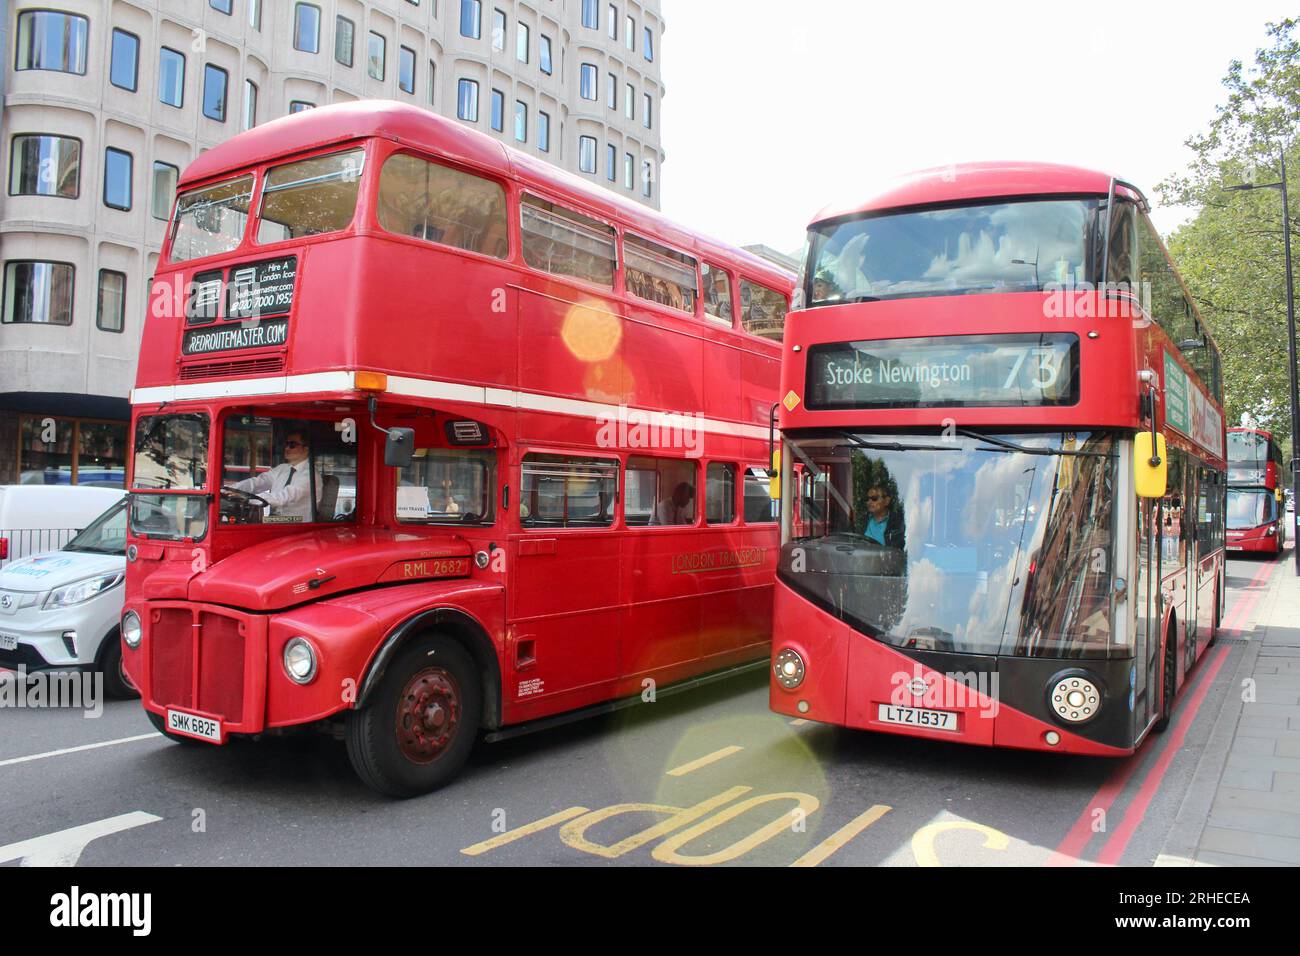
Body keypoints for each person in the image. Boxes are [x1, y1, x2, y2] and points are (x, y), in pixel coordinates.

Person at [229, 429, 314, 521]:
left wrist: (245, 498)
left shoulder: (310, 475)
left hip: (298, 526)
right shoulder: (283, 468)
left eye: (292, 445)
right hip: (276, 522)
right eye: (286, 444)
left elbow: (282, 498)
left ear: (306, 450)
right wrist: (231, 489)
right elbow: (258, 482)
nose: (287, 448)